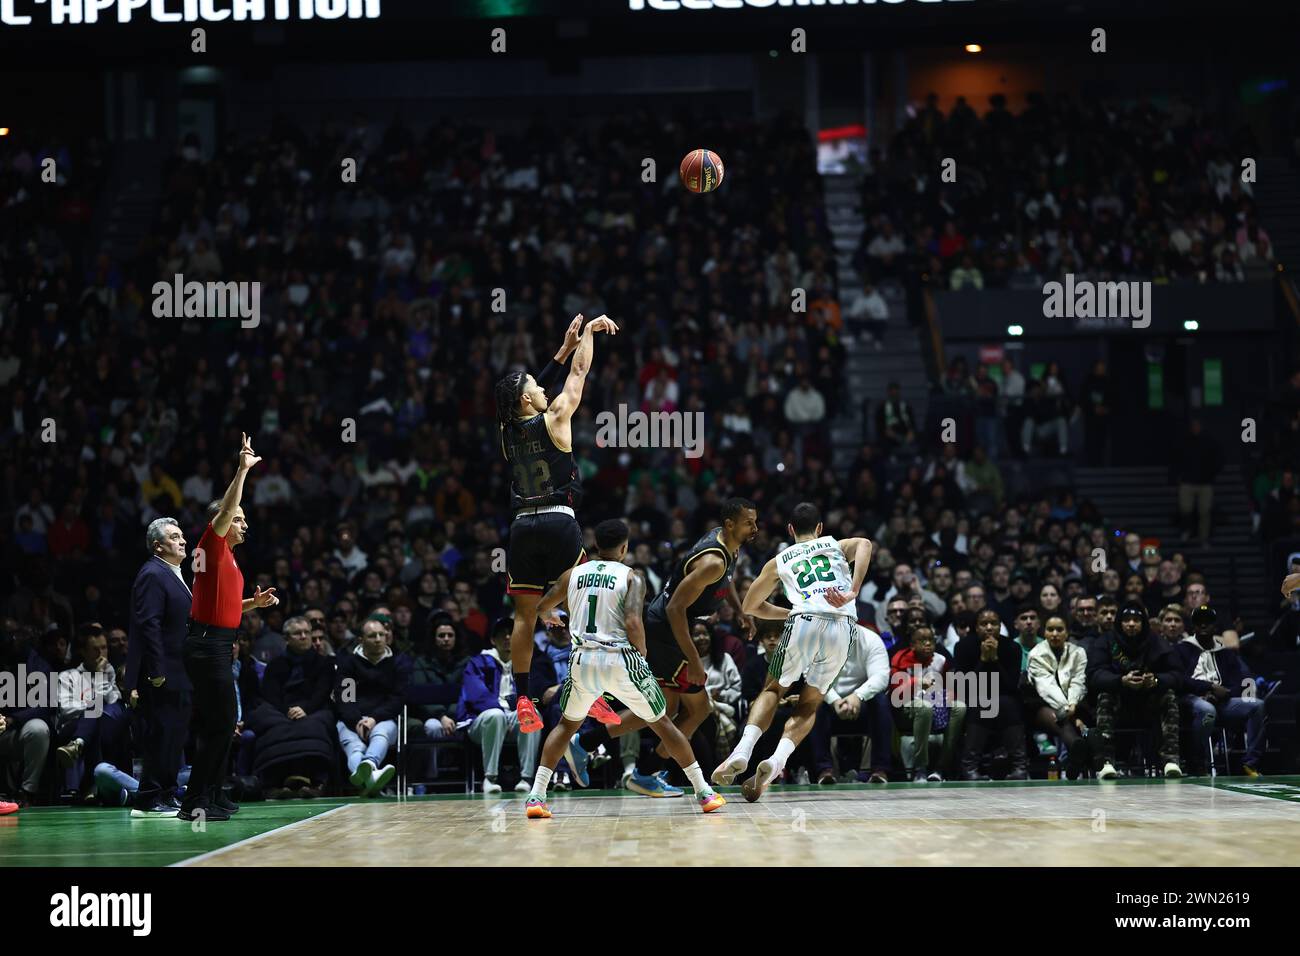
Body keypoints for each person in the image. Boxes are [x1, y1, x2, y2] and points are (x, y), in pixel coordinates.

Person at [526, 520, 725, 818]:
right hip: (620, 658)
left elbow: (542, 606)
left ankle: (536, 797)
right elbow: (633, 621)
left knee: (567, 726)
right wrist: (642, 652)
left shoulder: (573, 574)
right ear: (624, 548)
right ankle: (704, 792)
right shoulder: (633, 577)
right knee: (663, 724)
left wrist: (552, 616)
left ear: (595, 546)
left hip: (582, 659)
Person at [495, 314, 622, 735]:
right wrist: (586, 337)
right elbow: (579, 373)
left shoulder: (506, 433)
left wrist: (560, 350)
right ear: (528, 401)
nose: (544, 388)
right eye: (536, 386)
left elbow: (536, 388)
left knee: (523, 617)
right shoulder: (557, 418)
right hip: (559, 521)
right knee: (582, 605)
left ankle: (524, 698)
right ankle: (595, 694)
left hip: (521, 528)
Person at [588, 498, 758, 798]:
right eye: (749, 523)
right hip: (665, 630)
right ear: (730, 524)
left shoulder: (729, 542)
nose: (755, 528)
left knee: (663, 711)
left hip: (669, 627)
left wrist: (740, 610)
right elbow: (676, 608)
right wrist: (693, 660)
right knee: (697, 708)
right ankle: (638, 767)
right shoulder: (712, 561)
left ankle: (629, 763)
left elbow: (727, 580)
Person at [714, 503, 872, 802]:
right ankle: (777, 762)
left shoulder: (780, 559)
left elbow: (749, 606)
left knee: (773, 689)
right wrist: (853, 590)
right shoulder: (833, 545)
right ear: (820, 528)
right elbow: (864, 544)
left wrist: (791, 613)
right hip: (843, 625)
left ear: (790, 530)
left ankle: (743, 750)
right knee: (811, 703)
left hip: (804, 620)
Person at [179, 433, 280, 823]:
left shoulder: (230, 561)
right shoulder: (211, 543)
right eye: (237, 518)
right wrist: (241, 470)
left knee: (218, 725)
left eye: (243, 520)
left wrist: (252, 604)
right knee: (220, 724)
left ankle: (213, 794)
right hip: (206, 646)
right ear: (219, 521)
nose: (243, 523)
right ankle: (194, 803)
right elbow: (227, 508)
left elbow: (220, 607)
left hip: (217, 642)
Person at [125, 516, 194, 813]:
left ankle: (166, 792)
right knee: (161, 734)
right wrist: (156, 672)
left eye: (181, 536)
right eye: (175, 537)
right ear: (158, 546)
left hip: (180, 669)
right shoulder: (153, 573)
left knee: (174, 735)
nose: (182, 541)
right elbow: (148, 624)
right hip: (163, 671)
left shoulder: (173, 573)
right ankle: (149, 795)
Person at [1086, 602, 1183, 779]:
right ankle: (1106, 762)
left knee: (1169, 696)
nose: (1131, 624)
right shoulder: (1106, 641)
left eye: (1136, 620)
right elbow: (1093, 676)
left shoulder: (1156, 641)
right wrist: (1121, 681)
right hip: (1120, 703)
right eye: (1127, 620)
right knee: (1105, 696)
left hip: (1148, 703)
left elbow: (1177, 675)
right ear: (1119, 623)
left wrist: (1156, 680)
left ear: (1143, 623)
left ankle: (1171, 760)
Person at [246, 616, 337, 799]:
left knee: (316, 723)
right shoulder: (275, 665)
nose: (304, 636)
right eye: (298, 633)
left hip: (313, 708)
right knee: (269, 721)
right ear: (287, 638)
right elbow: (271, 694)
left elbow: (322, 692)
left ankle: (316, 782)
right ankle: (274, 783)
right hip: (281, 710)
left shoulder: (325, 663)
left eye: (307, 632)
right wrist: (288, 710)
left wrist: (305, 709)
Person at [1176, 605, 1266, 776]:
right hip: (1192, 699)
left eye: (1208, 622)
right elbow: (1179, 680)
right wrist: (1208, 688)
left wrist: (1224, 694)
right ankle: (1196, 761)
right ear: (1193, 626)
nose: (1203, 625)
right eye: (1199, 622)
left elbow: (1239, 681)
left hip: (1222, 700)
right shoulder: (1182, 649)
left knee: (1257, 705)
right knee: (1207, 710)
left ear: (1215, 627)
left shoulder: (1225, 653)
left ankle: (1250, 763)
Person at [459, 618, 541, 794]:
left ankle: (526, 778)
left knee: (531, 713)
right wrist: (504, 714)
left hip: (511, 719)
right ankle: (490, 778)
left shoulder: (524, 663)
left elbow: (533, 695)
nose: (507, 637)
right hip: (480, 722)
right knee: (495, 715)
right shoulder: (478, 662)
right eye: (502, 634)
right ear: (492, 640)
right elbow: (476, 697)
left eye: (511, 634)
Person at [809, 621, 891, 784]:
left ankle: (880, 769)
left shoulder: (871, 640)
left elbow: (881, 677)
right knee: (813, 702)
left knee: (881, 700)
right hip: (830, 705)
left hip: (862, 706)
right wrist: (835, 701)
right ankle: (824, 770)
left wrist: (857, 696)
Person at [954, 608, 1028, 780]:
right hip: (973, 697)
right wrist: (982, 660)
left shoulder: (1012, 647)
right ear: (976, 627)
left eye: (993, 623)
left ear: (1000, 626)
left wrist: (994, 660)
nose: (989, 627)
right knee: (985, 702)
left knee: (1005, 702)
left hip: (1004, 698)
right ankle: (969, 767)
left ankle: (1020, 766)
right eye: (983, 624)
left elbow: (1011, 686)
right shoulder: (963, 647)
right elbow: (963, 686)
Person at [333, 618, 402, 797]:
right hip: (351, 720)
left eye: (381, 634)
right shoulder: (349, 664)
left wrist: (374, 719)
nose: (378, 639)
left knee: (381, 734)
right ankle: (371, 777)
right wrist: (357, 721)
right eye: (372, 636)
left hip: (382, 719)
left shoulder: (396, 664)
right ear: (361, 640)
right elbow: (346, 698)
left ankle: (369, 764)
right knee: (354, 747)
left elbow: (396, 699)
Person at [889, 624, 966, 781]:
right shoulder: (900, 658)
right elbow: (895, 691)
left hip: (935, 705)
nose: (927, 644)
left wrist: (948, 696)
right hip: (905, 706)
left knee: (960, 707)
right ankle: (920, 768)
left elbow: (951, 688)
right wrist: (917, 682)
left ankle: (940, 767)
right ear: (912, 645)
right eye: (922, 640)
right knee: (924, 707)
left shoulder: (941, 660)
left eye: (931, 640)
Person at [1026, 614, 1090, 777]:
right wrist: (1067, 708)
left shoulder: (1078, 652)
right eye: (1050, 629)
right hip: (1040, 704)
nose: (1055, 633)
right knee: (1060, 719)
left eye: (1059, 629)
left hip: (1074, 703)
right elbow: (1046, 686)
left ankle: (1077, 757)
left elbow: (1078, 680)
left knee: (1082, 714)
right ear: (1045, 633)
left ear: (1067, 633)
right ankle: (1076, 747)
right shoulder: (1036, 654)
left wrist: (1072, 704)